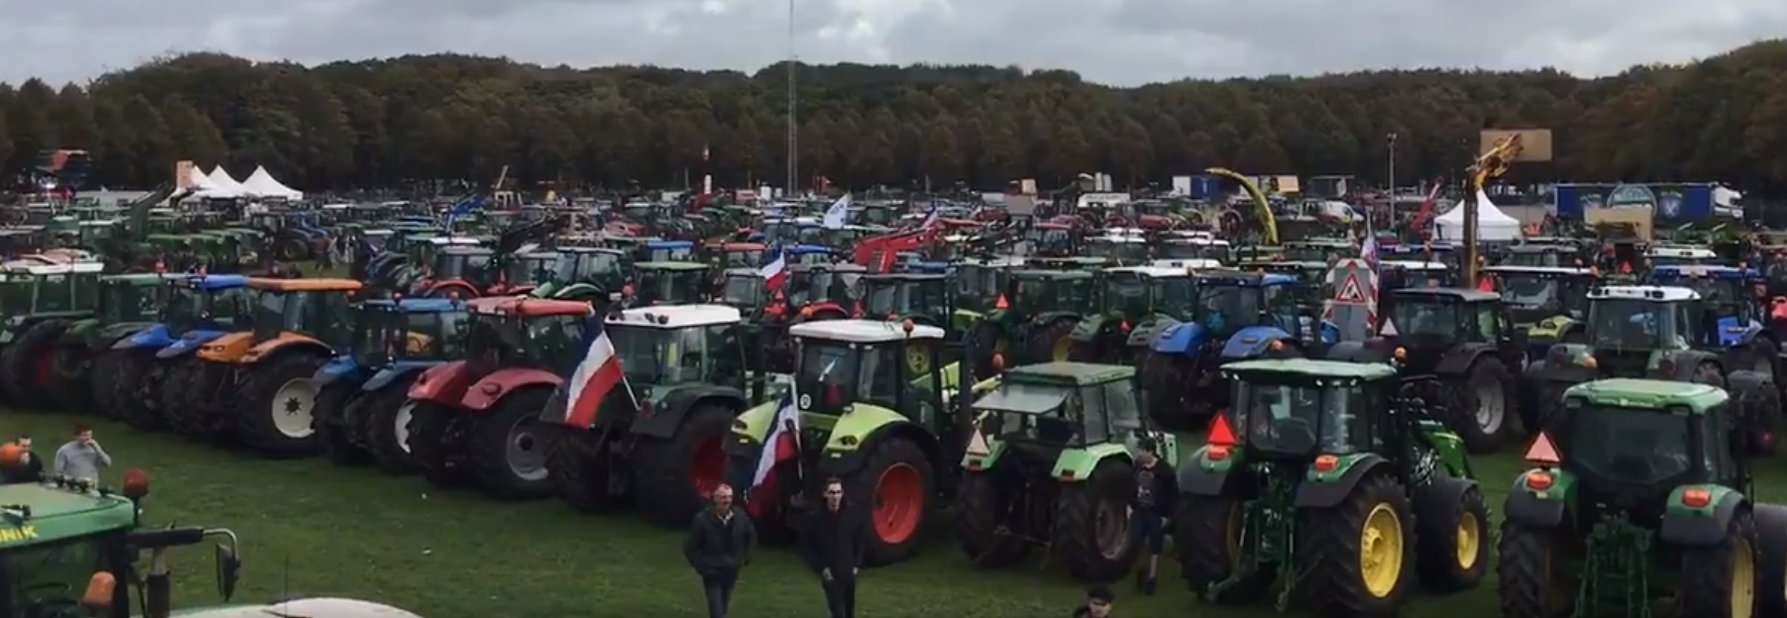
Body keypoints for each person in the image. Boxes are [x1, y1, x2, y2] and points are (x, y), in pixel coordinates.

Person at [682, 484, 755, 618]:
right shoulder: (702, 520)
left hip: (732, 569)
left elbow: (751, 535)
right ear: (714, 499)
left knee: (724, 604)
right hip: (712, 571)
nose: (726, 500)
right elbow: (690, 548)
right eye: (722, 497)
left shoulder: (740, 516)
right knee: (716, 609)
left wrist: (747, 556)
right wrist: (702, 568)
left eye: (729, 497)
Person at [801, 477, 868, 618]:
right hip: (830, 574)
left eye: (838, 492)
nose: (835, 497)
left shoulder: (851, 515)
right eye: (832, 493)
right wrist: (822, 569)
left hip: (848, 572)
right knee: (837, 611)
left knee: (849, 611)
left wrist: (856, 565)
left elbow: (860, 539)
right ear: (825, 494)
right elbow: (806, 546)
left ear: (842, 493)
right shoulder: (816, 518)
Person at [1128, 438, 1176, 595]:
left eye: (1141, 451)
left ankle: (1152, 577)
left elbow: (1172, 495)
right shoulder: (1137, 467)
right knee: (1137, 541)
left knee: (1155, 544)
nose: (1138, 454)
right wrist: (1130, 505)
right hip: (1139, 511)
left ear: (1149, 451)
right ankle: (1141, 571)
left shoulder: (1164, 471)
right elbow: (1131, 486)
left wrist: (1167, 515)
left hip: (1156, 513)